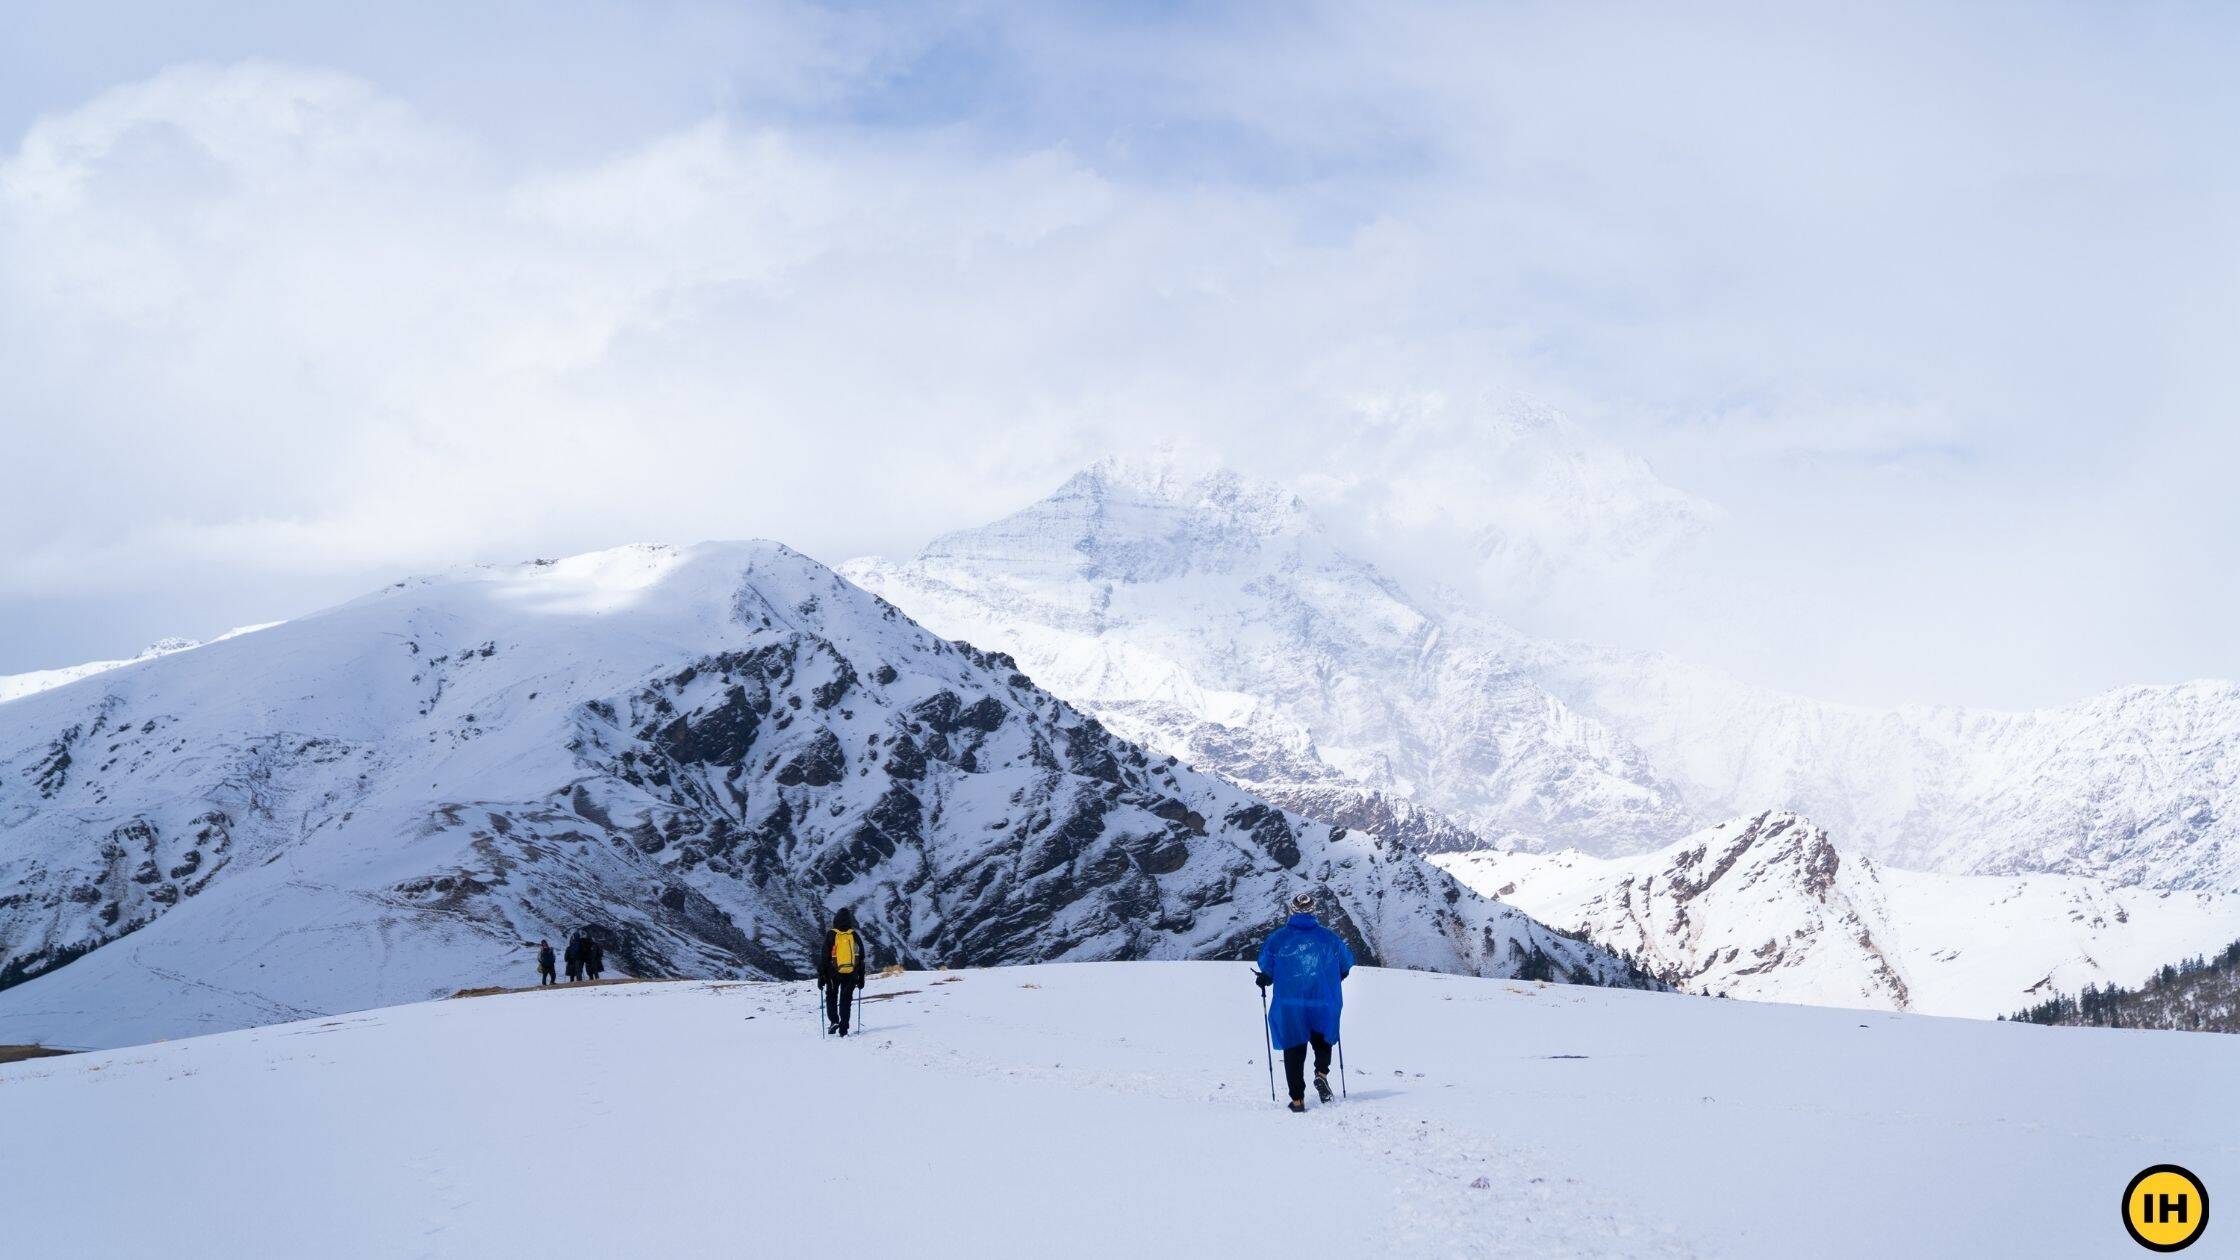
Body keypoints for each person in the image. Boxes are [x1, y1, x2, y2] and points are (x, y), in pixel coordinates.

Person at [1255, 889, 1353, 1113]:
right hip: (1322, 1000)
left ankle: (1297, 1100)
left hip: (1290, 1003)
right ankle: (1321, 1073)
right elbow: (1345, 965)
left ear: (1292, 910)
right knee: (1323, 1039)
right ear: (1313, 911)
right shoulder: (1329, 938)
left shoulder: (1278, 939)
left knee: (1294, 1048)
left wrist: (1264, 979)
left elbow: (1267, 967)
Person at [815, 907, 870, 1036]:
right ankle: (844, 1028)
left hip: (833, 974)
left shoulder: (831, 934)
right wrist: (861, 977)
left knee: (831, 996)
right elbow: (861, 958)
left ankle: (834, 1020)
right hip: (851, 973)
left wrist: (821, 976)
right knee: (846, 1000)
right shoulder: (854, 935)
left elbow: (824, 957)